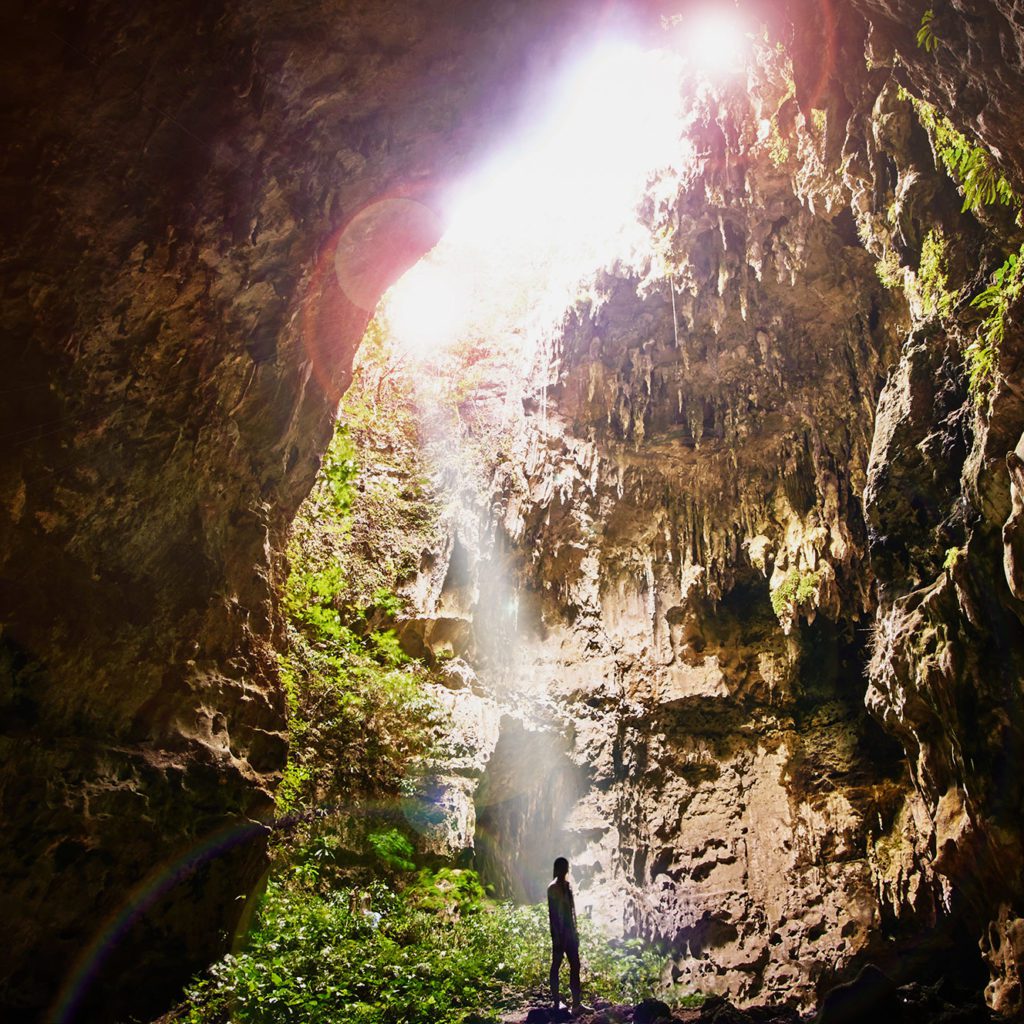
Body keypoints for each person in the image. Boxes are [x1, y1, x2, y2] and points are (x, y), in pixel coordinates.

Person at [547, 856, 581, 1013]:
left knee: (576, 965)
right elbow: (553, 914)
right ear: (557, 869)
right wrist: (557, 936)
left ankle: (576, 1004)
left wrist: (575, 931)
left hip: (569, 933)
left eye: (566, 867)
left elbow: (571, 911)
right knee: (556, 966)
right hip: (560, 934)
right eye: (563, 867)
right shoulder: (552, 888)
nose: (565, 871)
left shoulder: (567, 886)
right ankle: (556, 1003)